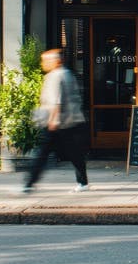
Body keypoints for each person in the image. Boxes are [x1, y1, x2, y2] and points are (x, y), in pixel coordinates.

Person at [22, 49, 89, 194]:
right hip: (71, 122)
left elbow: (56, 102)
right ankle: (82, 182)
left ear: (55, 61)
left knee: (42, 153)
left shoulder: (54, 76)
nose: (43, 63)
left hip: (56, 123)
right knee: (74, 153)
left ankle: (29, 184)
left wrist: (53, 121)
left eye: (46, 60)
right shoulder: (68, 74)